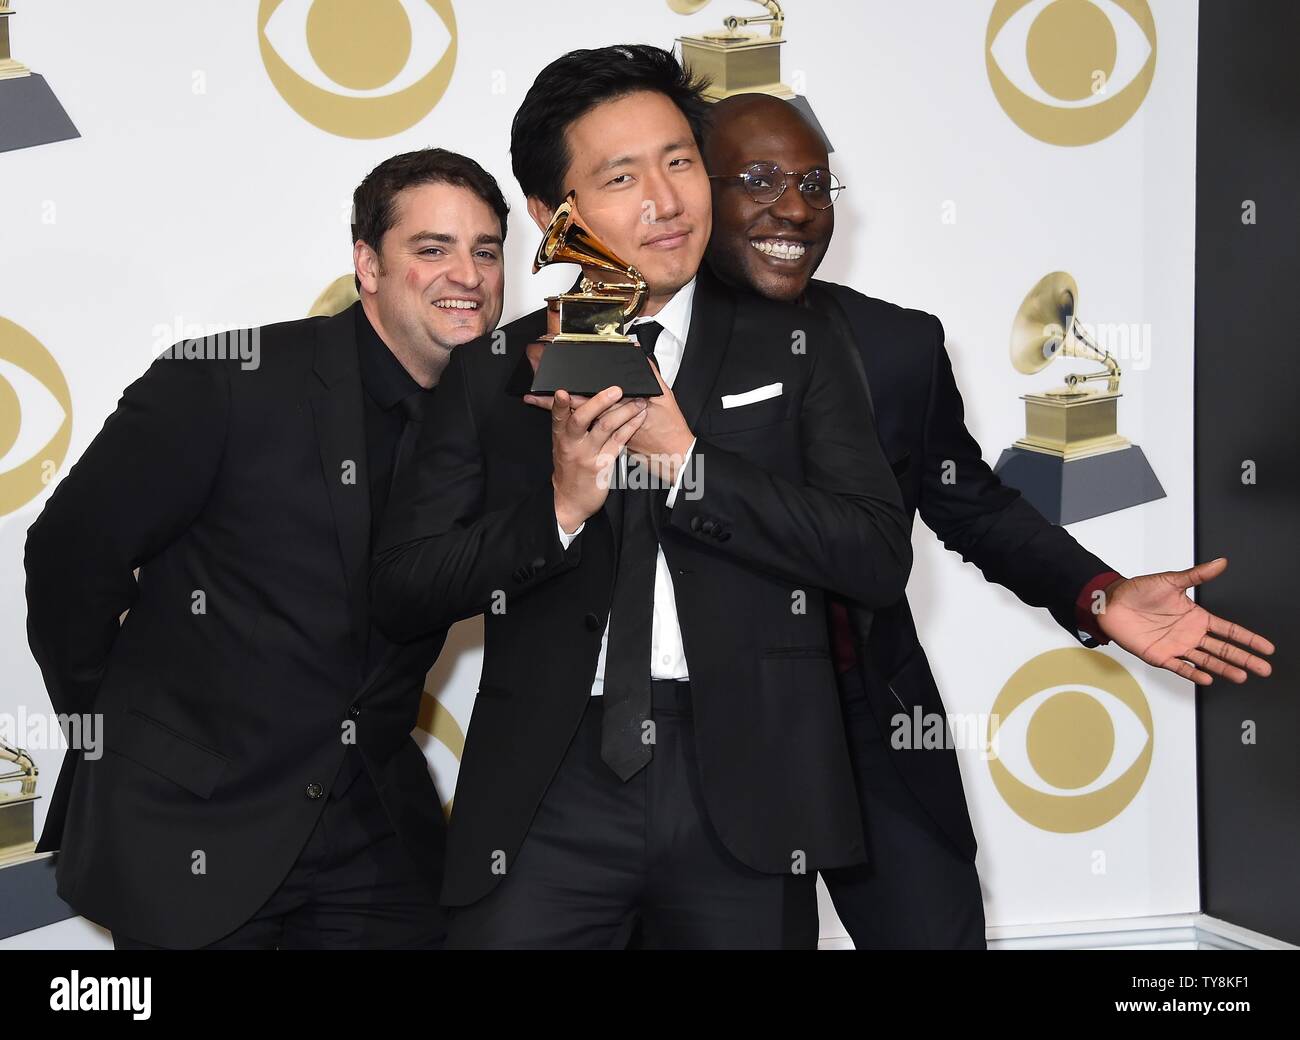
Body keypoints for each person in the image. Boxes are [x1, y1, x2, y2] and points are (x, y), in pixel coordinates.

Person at [700, 92, 1275, 949]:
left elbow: (970, 504)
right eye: (758, 179)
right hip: (708, 730)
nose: (794, 206)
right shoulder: (644, 349)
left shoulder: (897, 346)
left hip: (873, 720)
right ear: (691, 192)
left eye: (816, 182)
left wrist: (1098, 593)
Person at [370, 45, 911, 949]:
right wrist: (560, 508)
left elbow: (872, 553)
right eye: (621, 176)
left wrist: (688, 460)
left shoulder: (801, 345)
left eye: (680, 162)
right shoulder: (489, 373)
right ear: (553, 214)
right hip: (546, 790)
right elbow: (404, 587)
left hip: (747, 788)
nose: (666, 201)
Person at [24, 147, 508, 949]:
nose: (467, 273)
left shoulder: (500, 425)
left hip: (376, 835)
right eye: (432, 248)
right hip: (194, 824)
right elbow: (70, 555)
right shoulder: (227, 381)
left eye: (485, 251)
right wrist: (118, 731)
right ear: (368, 264)